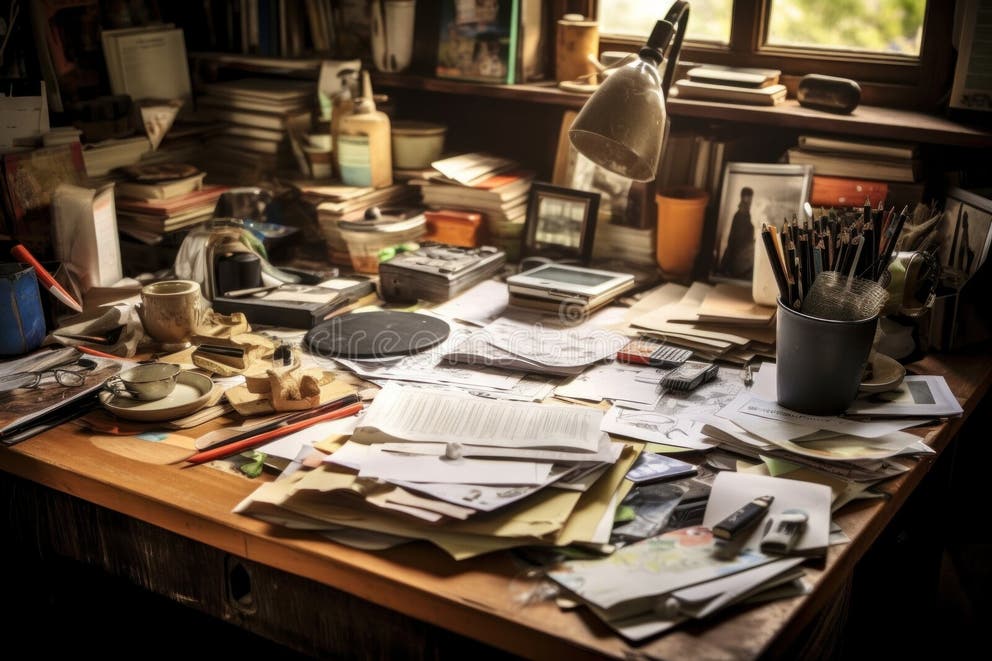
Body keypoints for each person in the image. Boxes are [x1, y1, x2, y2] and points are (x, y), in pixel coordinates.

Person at [718, 187, 755, 278]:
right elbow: (736, 238)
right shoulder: (741, 215)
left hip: (738, 252)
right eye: (748, 199)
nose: (750, 202)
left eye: (750, 199)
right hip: (738, 254)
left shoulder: (744, 214)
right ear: (744, 198)